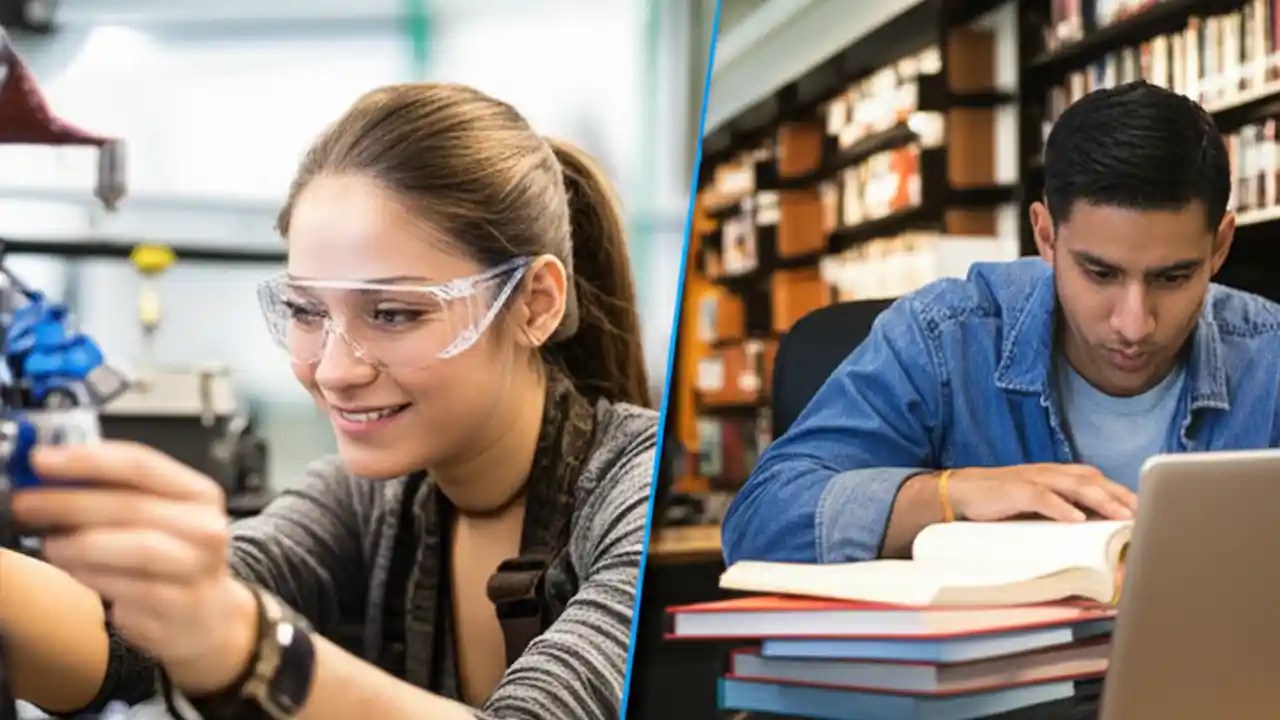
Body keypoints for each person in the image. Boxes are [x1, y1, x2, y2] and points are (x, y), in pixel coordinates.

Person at [0, 81, 658, 720]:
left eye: (395, 314)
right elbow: (122, 642)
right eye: (306, 311)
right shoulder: (369, 499)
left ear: (535, 304)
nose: (336, 371)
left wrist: (247, 646)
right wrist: (196, 610)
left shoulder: (641, 487)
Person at [721, 80, 1280, 566]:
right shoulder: (943, 338)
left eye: (1172, 278)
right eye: (1099, 274)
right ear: (1045, 236)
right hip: (994, 688)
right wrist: (950, 496)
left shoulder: (1269, 355)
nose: (1134, 323)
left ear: (1220, 245)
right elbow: (760, 521)